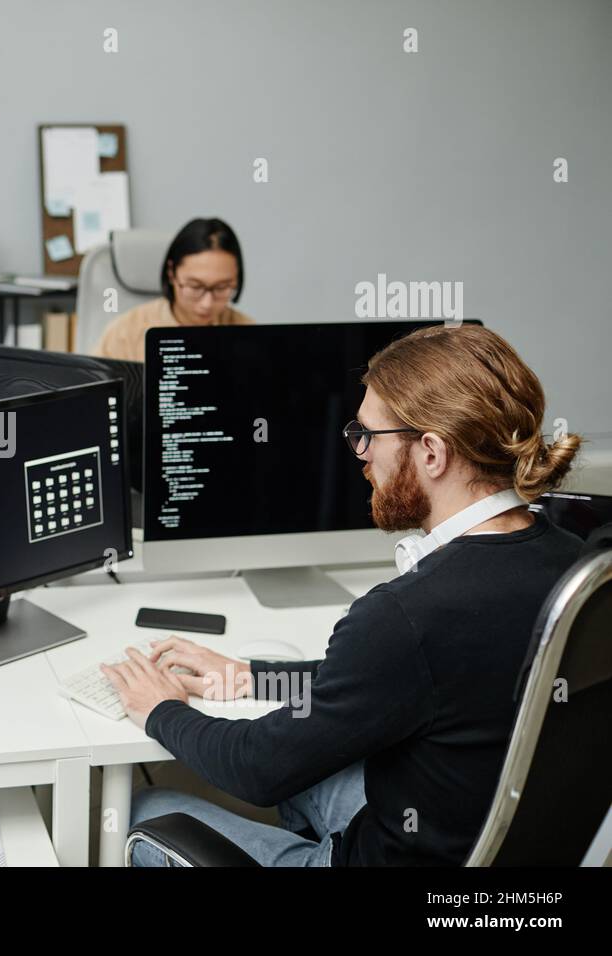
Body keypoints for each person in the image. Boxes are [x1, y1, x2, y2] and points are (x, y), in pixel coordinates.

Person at [103, 323, 584, 866]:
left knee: (144, 809)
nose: (359, 453)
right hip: (487, 848)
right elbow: (388, 681)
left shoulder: (404, 615)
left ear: (431, 452)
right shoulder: (576, 565)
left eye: (367, 435)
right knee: (319, 763)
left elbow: (256, 769)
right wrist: (251, 676)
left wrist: (160, 709)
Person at [91, 217, 253, 362]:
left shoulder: (250, 335)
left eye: (221, 287)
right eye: (195, 286)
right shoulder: (125, 333)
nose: (207, 303)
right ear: (171, 273)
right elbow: (98, 393)